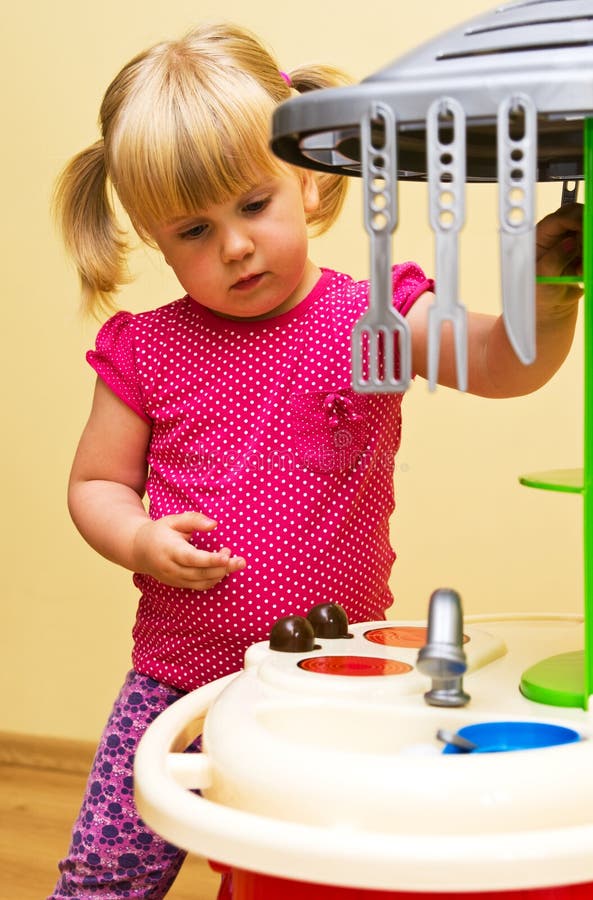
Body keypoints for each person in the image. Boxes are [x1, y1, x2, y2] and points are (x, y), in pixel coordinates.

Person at [48, 20, 583, 900]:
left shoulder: (371, 315)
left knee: (301, 865)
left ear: (303, 178)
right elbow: (97, 483)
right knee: (106, 874)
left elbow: (499, 365)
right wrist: (139, 540)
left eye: (252, 205)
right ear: (150, 234)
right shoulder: (142, 349)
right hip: (176, 675)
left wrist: (545, 299)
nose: (233, 246)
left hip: (337, 680)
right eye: (191, 230)